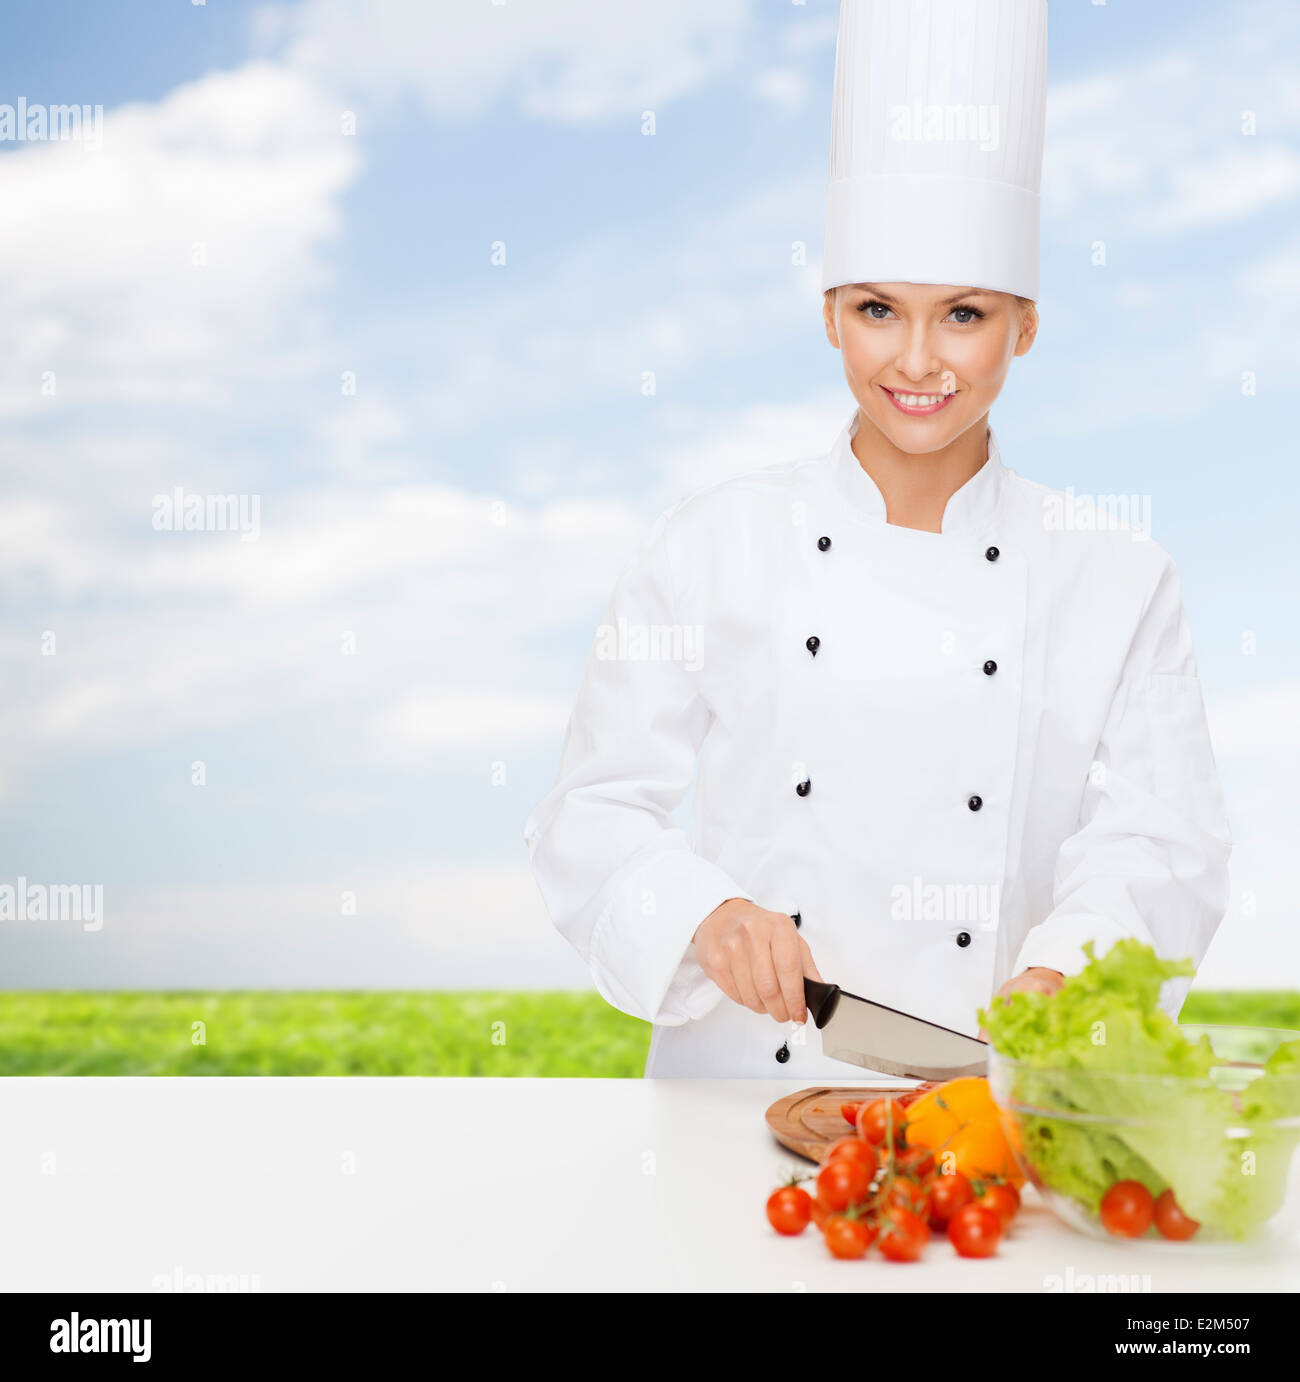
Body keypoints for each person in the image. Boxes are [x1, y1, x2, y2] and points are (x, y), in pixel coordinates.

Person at [524, 0, 1231, 1078]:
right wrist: (704, 913)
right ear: (826, 313)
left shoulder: (1118, 577)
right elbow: (592, 811)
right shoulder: (711, 542)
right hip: (735, 1106)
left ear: (1025, 325)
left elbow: (1163, 839)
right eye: (875, 310)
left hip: (986, 1107)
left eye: (963, 314)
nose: (915, 361)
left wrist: (1072, 970)